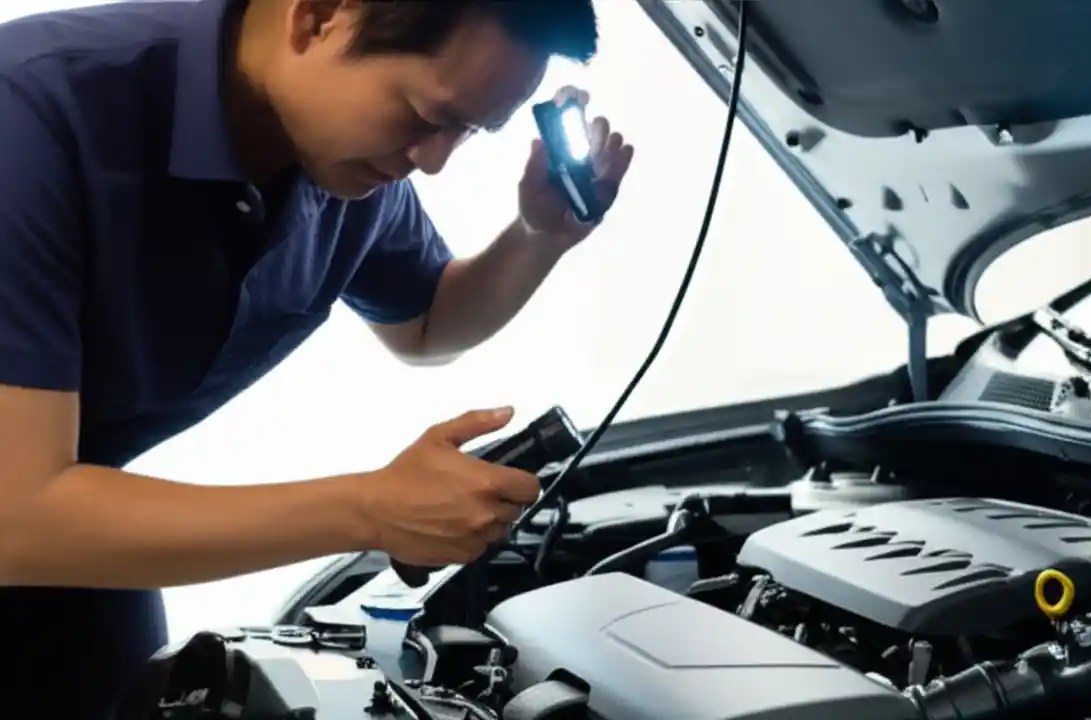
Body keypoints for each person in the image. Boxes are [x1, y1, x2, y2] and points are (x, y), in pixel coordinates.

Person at [0, 0, 634, 716]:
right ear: (320, 16)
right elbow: (15, 514)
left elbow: (428, 321)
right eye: (427, 115)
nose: (433, 161)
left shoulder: (340, 161)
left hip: (67, 542)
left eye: (468, 132)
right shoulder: (28, 113)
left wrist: (538, 235)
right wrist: (370, 509)